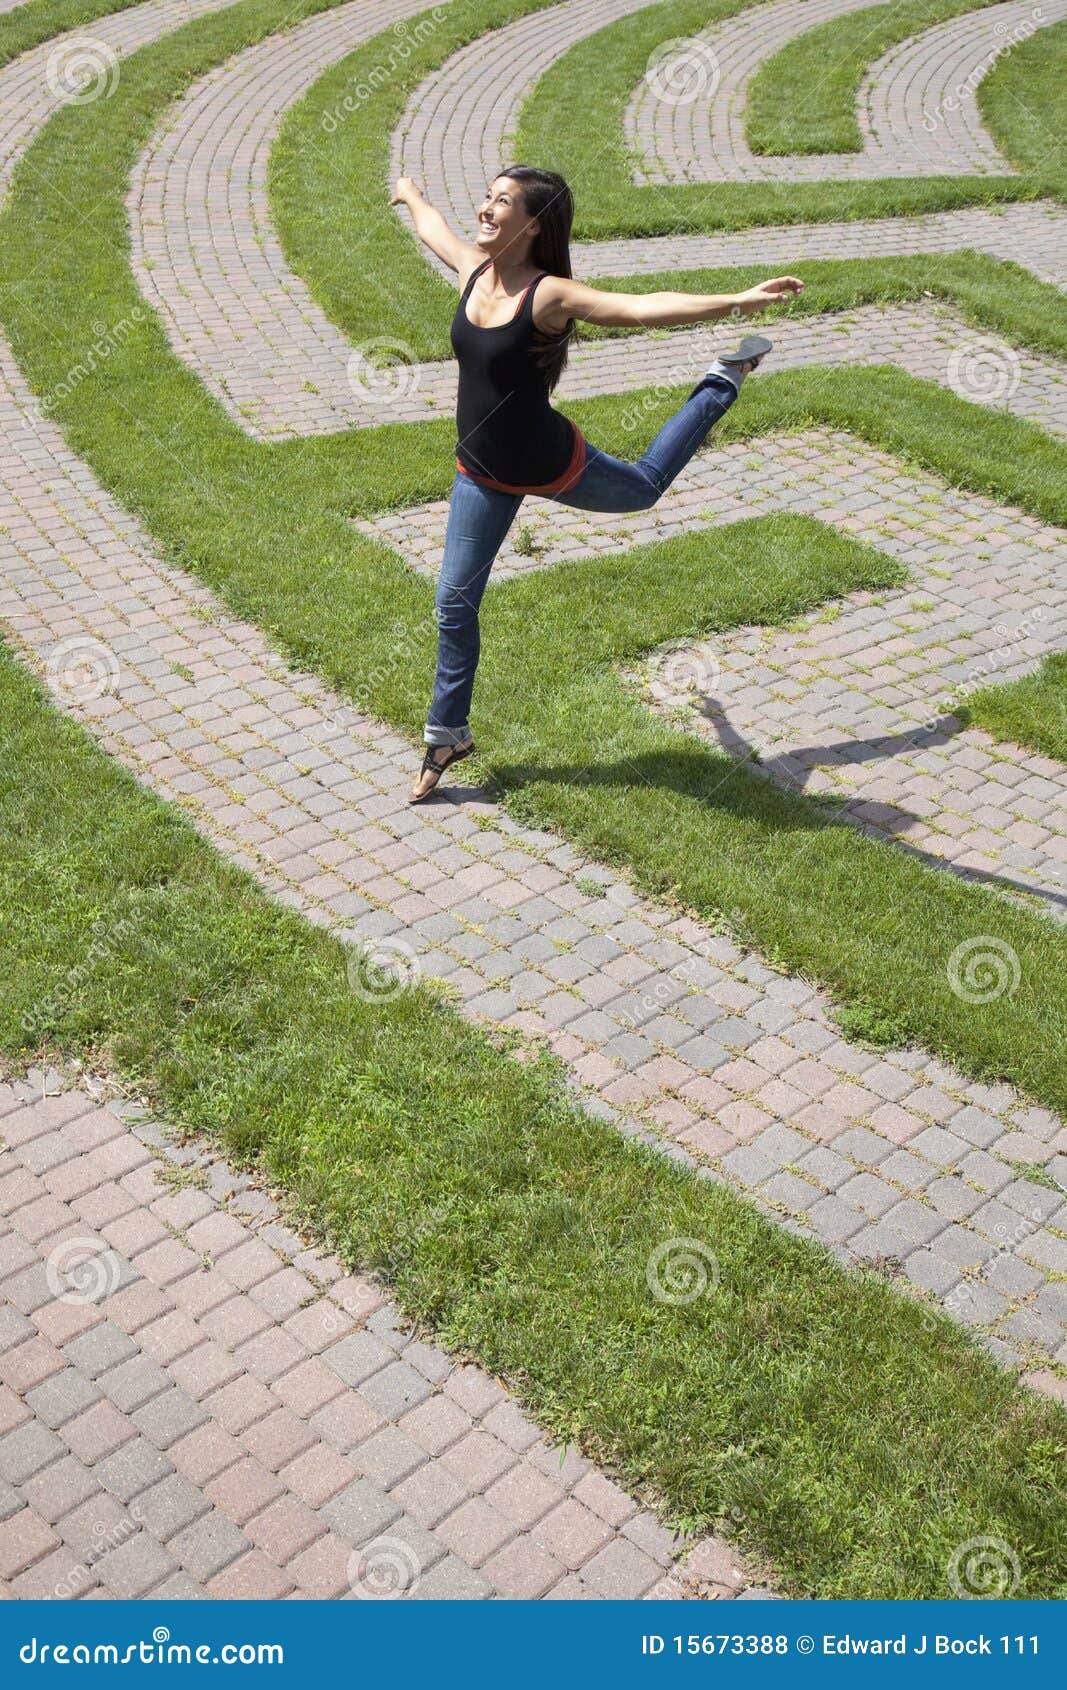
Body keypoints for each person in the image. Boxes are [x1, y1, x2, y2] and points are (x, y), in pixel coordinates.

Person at [390, 165, 803, 803]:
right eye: (488, 196)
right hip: (480, 472)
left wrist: (738, 302)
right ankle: (447, 734)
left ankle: (724, 378)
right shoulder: (475, 269)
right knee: (453, 604)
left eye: (502, 202)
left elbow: (638, 310)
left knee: (642, 488)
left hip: (548, 461)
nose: (486, 208)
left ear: (531, 224)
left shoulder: (549, 295)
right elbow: (432, 228)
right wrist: (412, 195)